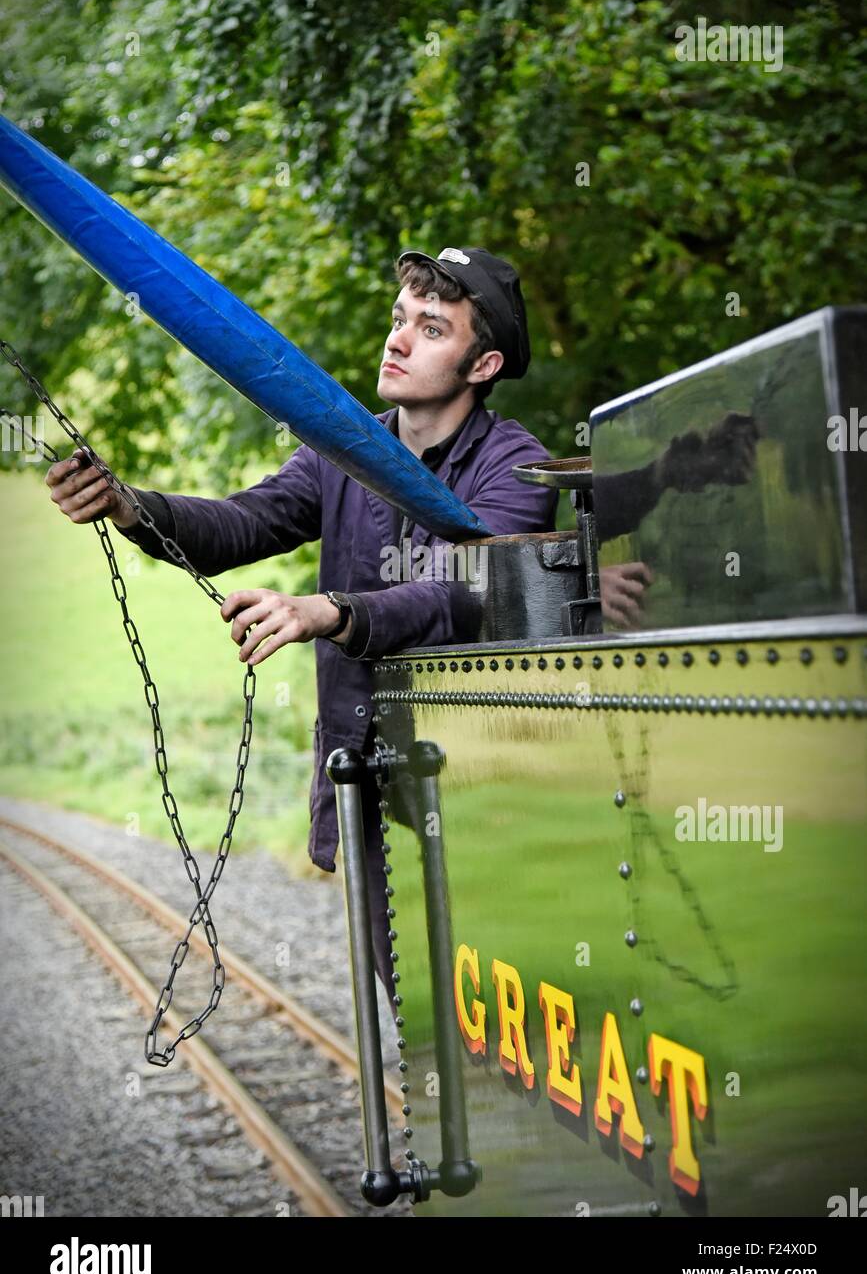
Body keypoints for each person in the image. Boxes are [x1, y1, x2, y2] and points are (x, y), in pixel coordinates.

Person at [44, 247, 558, 1006]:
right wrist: (130, 506)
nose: (398, 339)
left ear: (481, 366)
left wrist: (331, 613)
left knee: (494, 1031)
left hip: (490, 798)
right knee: (417, 1016)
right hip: (374, 793)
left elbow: (462, 597)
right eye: (397, 319)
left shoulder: (513, 466)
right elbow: (240, 524)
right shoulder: (342, 452)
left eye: (430, 327)